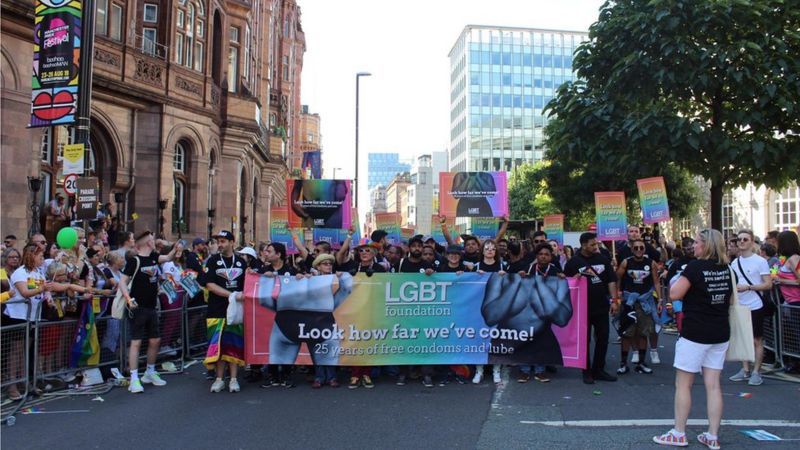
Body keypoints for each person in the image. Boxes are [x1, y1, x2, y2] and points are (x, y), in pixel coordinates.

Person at [654, 229, 733, 450]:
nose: (693, 246)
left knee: (683, 384)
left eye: (697, 242)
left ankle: (679, 432)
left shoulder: (696, 267)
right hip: (720, 331)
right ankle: (712, 435)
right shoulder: (725, 268)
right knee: (713, 385)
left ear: (706, 245)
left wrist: (679, 278)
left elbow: (675, 294)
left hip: (696, 331)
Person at [117, 231, 183, 393]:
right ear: (148, 242)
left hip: (152, 306)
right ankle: (134, 378)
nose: (155, 242)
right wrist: (128, 299)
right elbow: (123, 282)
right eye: (153, 240)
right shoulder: (134, 261)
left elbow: (167, 258)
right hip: (137, 307)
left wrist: (175, 249)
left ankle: (150, 371)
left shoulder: (153, 257)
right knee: (136, 342)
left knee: (155, 340)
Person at [563, 232, 619, 384]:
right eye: (592, 244)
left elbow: (611, 280)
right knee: (584, 339)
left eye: (596, 244)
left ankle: (599, 369)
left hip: (601, 306)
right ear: (583, 245)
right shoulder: (573, 262)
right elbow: (566, 284)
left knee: (603, 338)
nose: (596, 247)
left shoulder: (603, 259)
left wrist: (614, 300)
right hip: (582, 308)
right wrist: (574, 279)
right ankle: (586, 370)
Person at [202, 231, 246, 393]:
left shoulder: (241, 262)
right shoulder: (213, 261)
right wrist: (232, 295)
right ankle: (219, 379)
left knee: (233, 343)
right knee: (218, 346)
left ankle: (234, 379)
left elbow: (247, 284)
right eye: (218, 241)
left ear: (232, 242)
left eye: (223, 241)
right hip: (216, 310)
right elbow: (209, 284)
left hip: (236, 312)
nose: (220, 244)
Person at [727, 229, 772, 386]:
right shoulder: (734, 262)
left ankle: (756, 372)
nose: (741, 242)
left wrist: (749, 288)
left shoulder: (760, 261)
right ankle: (745, 370)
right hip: (740, 305)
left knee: (756, 340)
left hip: (755, 305)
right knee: (742, 339)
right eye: (739, 239)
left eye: (745, 239)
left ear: (752, 242)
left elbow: (768, 284)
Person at [517, 243, 565, 383]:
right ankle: (524, 370)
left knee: (542, 341)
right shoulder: (529, 268)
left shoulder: (555, 270)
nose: (543, 257)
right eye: (541, 254)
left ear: (551, 257)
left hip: (546, 311)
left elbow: (562, 288)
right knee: (526, 340)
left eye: (546, 254)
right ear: (536, 256)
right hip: (529, 310)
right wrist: (520, 276)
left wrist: (563, 278)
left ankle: (540, 370)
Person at [615, 239, 661, 376]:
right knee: (626, 333)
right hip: (629, 301)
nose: (639, 250)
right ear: (632, 249)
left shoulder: (651, 263)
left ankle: (641, 363)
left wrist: (660, 300)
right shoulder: (626, 262)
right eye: (636, 248)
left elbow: (657, 282)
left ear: (645, 249)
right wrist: (617, 297)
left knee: (643, 333)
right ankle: (623, 364)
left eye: (641, 248)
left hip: (645, 302)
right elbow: (617, 278)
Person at [473, 239, 508, 385]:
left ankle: (496, 369)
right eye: (487, 248)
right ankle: (479, 370)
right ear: (482, 251)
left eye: (493, 249)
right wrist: (475, 275)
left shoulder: (502, 265)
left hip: (497, 307)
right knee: (478, 338)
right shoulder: (476, 266)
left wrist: (505, 275)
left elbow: (511, 283)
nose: (489, 251)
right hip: (477, 307)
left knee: (496, 338)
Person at [775, 230, 800, 304]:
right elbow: (772, 272)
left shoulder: (795, 258)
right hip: (788, 301)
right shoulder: (782, 258)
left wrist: (780, 280)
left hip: (797, 301)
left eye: (778, 242)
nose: (776, 244)